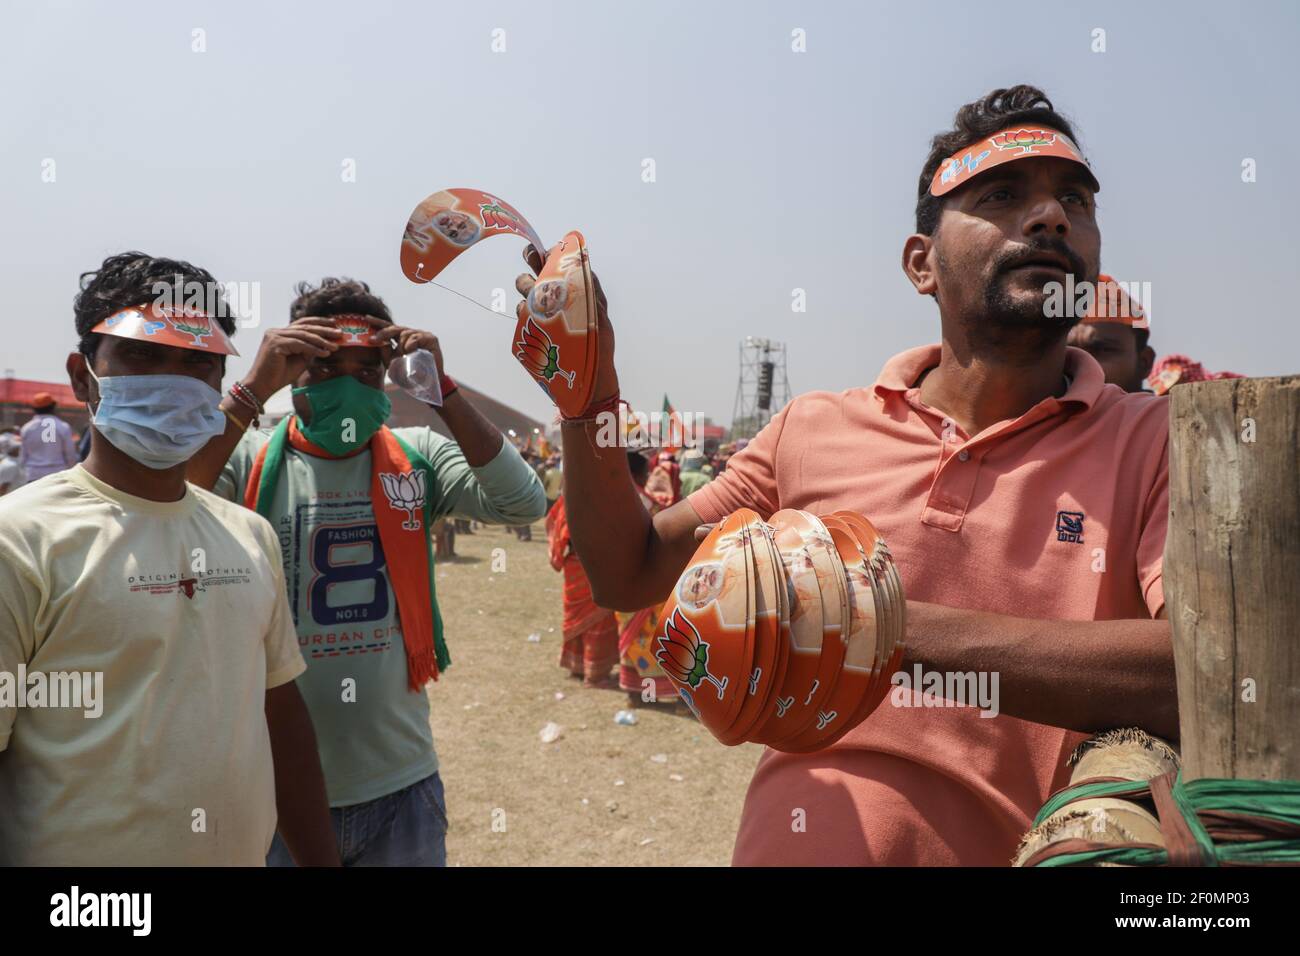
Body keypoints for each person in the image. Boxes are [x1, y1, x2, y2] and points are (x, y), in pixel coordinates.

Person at [527, 85, 1174, 866]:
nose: (1051, 218)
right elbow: (626, 571)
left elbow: (1203, 673)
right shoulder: (815, 429)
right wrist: (587, 394)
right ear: (920, 263)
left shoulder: (1157, 441)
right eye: (1002, 196)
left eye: (1074, 199)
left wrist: (867, 626)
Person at [185, 276, 547, 867]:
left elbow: (523, 503)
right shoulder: (246, 457)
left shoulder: (418, 455)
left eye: (367, 372)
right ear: (292, 371)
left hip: (398, 785)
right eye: (325, 368)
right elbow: (168, 502)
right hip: (270, 788)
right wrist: (251, 388)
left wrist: (443, 389)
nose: (347, 387)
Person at [0, 252, 337, 865]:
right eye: (143, 355)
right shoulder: (19, 540)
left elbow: (280, 714)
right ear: (83, 376)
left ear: (218, 382)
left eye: (197, 362)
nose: (174, 380)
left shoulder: (249, 537)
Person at [616, 450, 679, 704]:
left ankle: (635, 693)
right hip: (645, 579)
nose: (646, 477)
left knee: (631, 635)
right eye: (643, 473)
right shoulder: (642, 501)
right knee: (657, 636)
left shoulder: (613, 498)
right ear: (634, 474)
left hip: (621, 578)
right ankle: (669, 694)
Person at [547, 493, 620, 687]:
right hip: (596, 565)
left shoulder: (570, 497)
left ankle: (577, 667)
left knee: (578, 616)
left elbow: (556, 524)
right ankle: (595, 675)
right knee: (599, 617)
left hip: (574, 563)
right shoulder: (604, 498)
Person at [1065, 273, 1155, 393]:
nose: (1079, 365)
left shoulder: (1170, 411)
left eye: (1101, 350)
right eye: (1066, 352)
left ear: (1144, 363)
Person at [18, 392, 77, 483]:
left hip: (33, 474)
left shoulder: (27, 428)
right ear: (53, 407)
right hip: (57, 474)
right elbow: (70, 454)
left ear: (34, 409)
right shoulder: (62, 426)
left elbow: (23, 456)